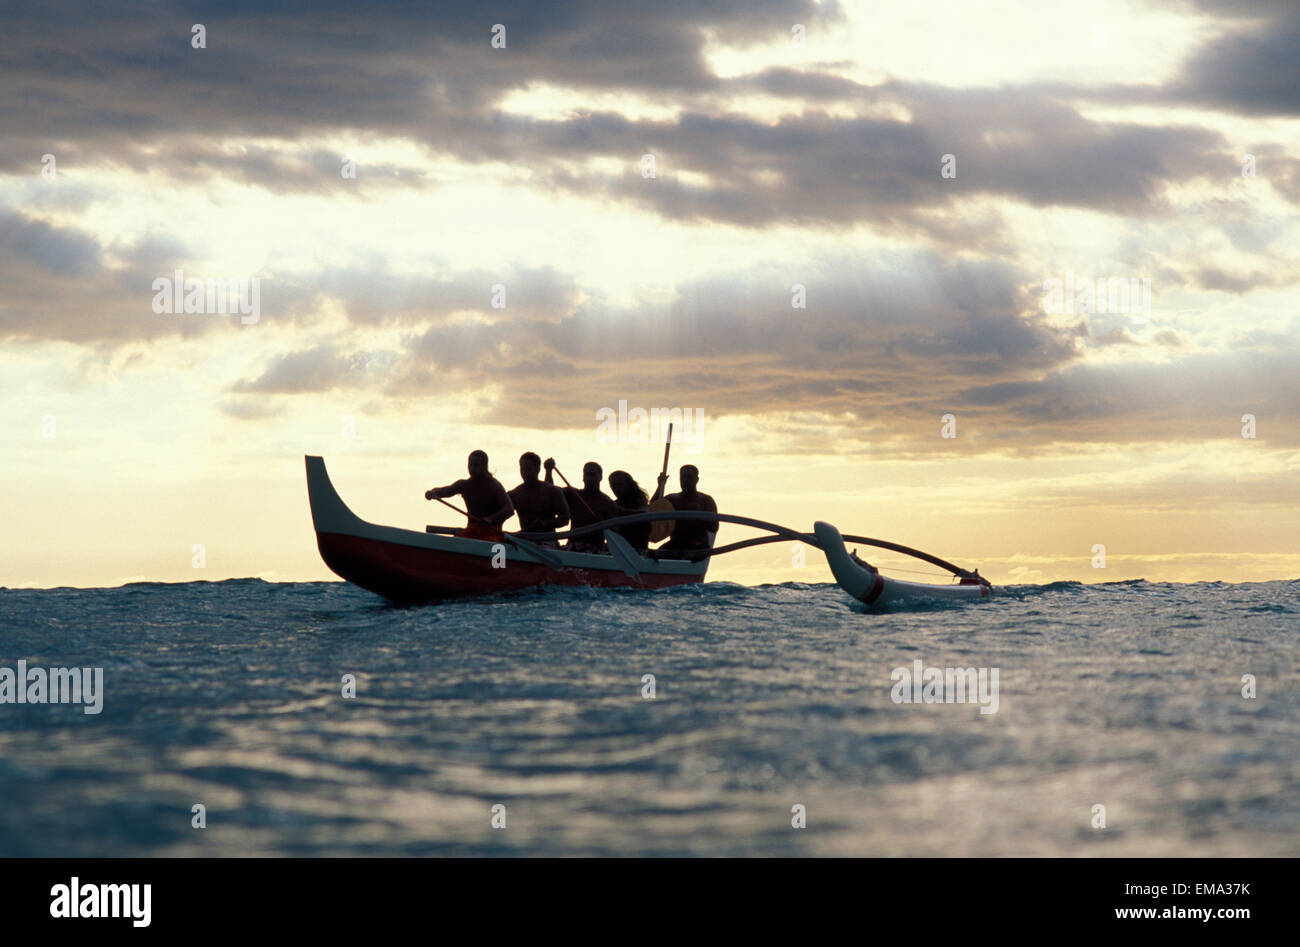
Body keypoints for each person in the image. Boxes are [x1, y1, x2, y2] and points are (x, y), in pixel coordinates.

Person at [425, 450, 513, 538]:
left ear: (485, 466)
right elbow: (446, 491)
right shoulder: (464, 485)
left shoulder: (494, 485)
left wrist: (490, 519)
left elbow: (509, 509)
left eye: (476, 465)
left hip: (492, 531)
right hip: (471, 531)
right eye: (470, 465)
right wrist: (433, 492)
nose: (472, 468)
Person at [544, 458, 618, 552]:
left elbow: (614, 534)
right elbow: (550, 491)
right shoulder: (573, 494)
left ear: (600, 477)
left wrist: (601, 526)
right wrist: (548, 470)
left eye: (592, 475)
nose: (588, 479)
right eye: (586, 475)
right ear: (583, 477)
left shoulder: (608, 503)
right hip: (572, 547)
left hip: (595, 550)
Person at [508, 452, 569, 546]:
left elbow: (565, 518)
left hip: (548, 541)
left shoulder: (552, 491)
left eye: (528, 469)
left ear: (537, 469)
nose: (524, 473)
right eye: (522, 469)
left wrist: (545, 523)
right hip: (524, 541)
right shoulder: (514, 494)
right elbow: (503, 512)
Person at [660, 464, 718, 554]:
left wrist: (698, 517)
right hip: (675, 545)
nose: (685, 480)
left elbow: (714, 527)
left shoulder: (706, 500)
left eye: (689, 477)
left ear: (697, 479)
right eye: (683, 477)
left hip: (698, 547)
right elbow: (652, 510)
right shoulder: (672, 499)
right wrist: (660, 486)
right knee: (652, 557)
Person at [608, 470, 652, 552]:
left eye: (620, 484)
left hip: (638, 550)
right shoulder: (613, 505)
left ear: (629, 484)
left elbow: (644, 514)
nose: (617, 488)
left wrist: (621, 511)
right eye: (613, 485)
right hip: (618, 550)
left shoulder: (640, 501)